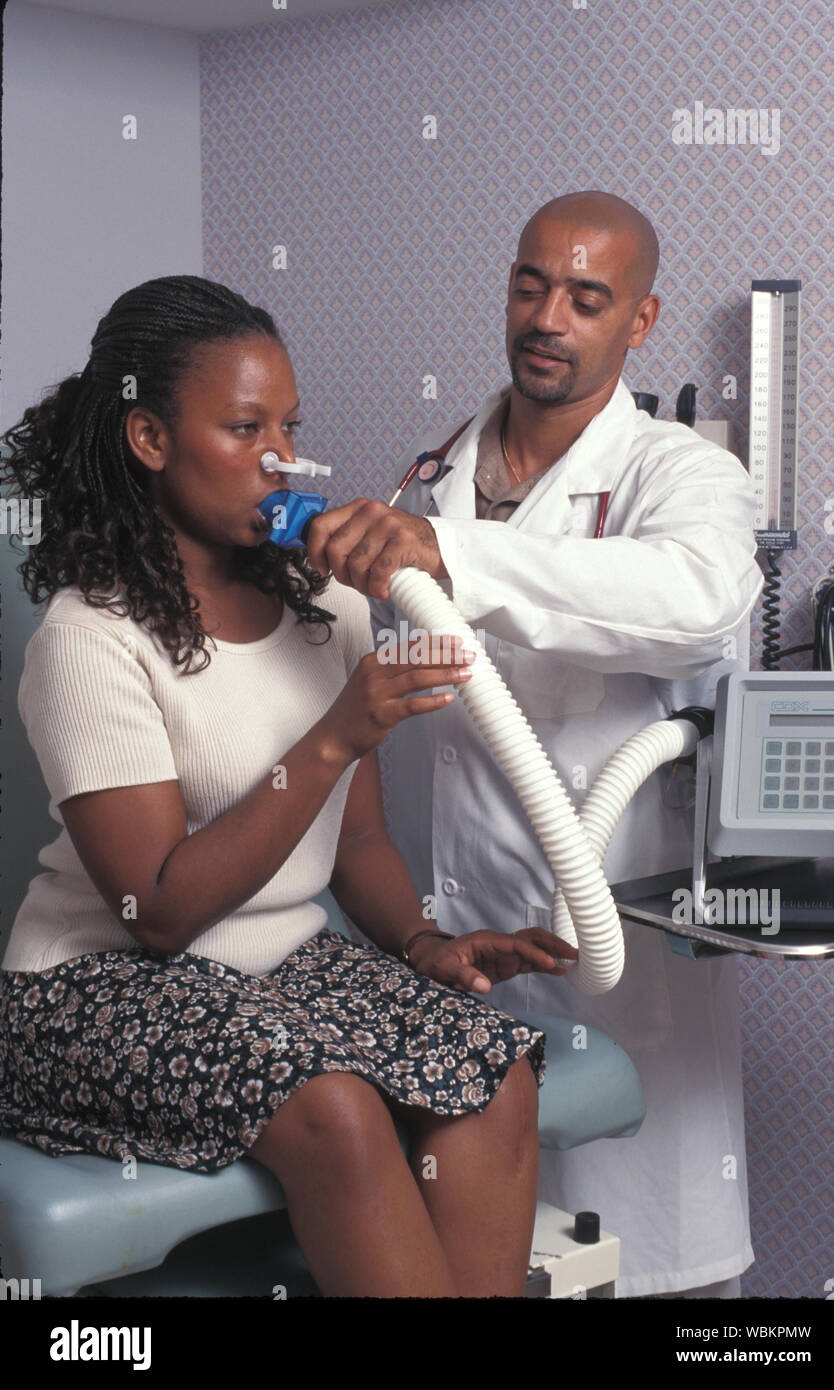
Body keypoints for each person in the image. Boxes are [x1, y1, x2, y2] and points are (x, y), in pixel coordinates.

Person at [0, 274, 579, 1300]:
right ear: (148, 438)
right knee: (336, 1108)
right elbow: (161, 912)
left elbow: (355, 848)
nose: (282, 459)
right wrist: (335, 731)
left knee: (496, 1075)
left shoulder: (327, 606)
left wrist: (422, 942)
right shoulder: (89, 639)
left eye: (289, 428)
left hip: (278, 965)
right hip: (94, 987)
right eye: (244, 427)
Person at [303, 192, 765, 1298]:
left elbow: (697, 599)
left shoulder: (679, 473)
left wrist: (454, 555)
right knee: (495, 1261)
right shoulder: (440, 472)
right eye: (529, 285)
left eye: (587, 296)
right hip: (457, 939)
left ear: (639, 320)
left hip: (610, 950)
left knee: (653, 1267)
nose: (548, 316)